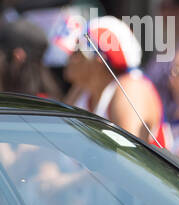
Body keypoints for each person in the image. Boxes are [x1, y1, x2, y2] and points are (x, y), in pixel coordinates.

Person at [61, 15, 169, 148]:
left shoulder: (131, 89)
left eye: (77, 51)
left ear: (98, 61)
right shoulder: (83, 88)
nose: (69, 56)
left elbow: (130, 159)